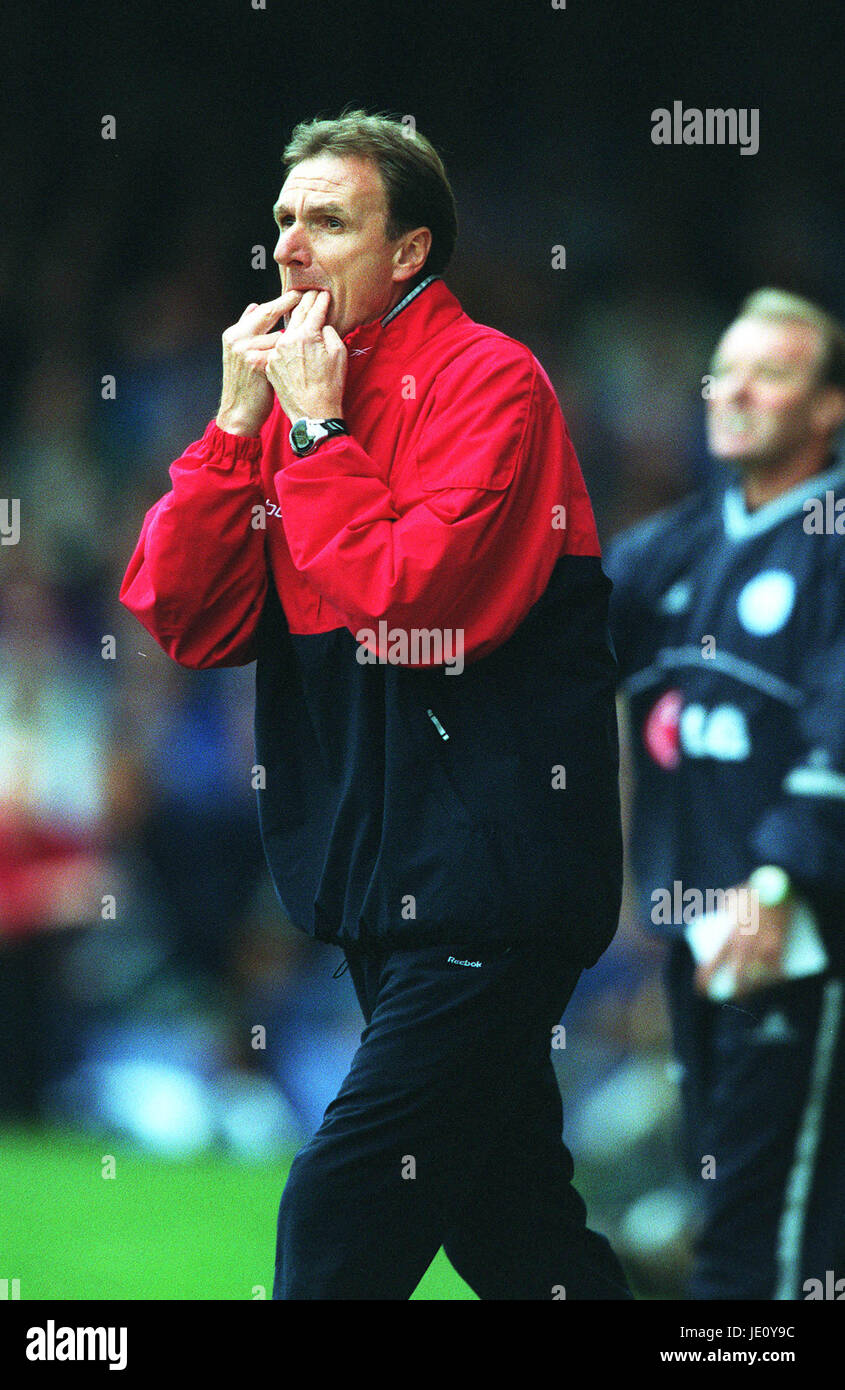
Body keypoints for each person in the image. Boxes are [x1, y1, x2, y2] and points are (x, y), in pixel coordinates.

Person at [120, 110, 631, 1301]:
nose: (291, 246)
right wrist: (238, 424)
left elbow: (414, 600)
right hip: (376, 883)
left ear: (408, 253)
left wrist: (311, 427)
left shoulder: (491, 381)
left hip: (490, 887)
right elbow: (185, 615)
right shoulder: (297, 401)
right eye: (284, 221)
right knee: (516, 1236)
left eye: (329, 221)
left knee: (338, 1211)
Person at [605, 288, 845, 1300]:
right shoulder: (672, 548)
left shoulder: (832, 541)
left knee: (772, 1237)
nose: (734, 391)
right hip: (700, 929)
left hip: (801, 928)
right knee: (732, 1219)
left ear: (827, 407)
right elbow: (544, 647)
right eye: (723, 369)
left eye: (771, 373)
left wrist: (781, 873)